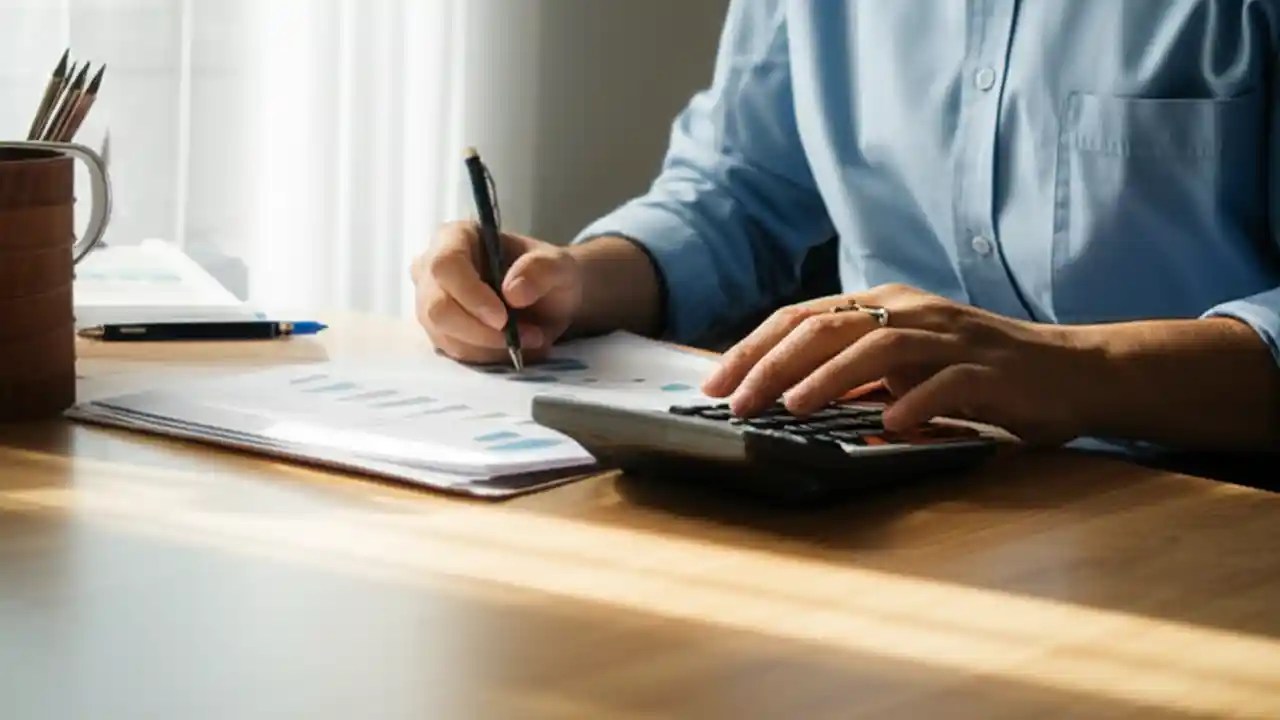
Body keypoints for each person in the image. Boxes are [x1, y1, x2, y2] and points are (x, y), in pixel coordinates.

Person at [412, 0, 1280, 453]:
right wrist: (572, 280)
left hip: (1211, 510)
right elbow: (737, 188)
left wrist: (1078, 370)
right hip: (897, 486)